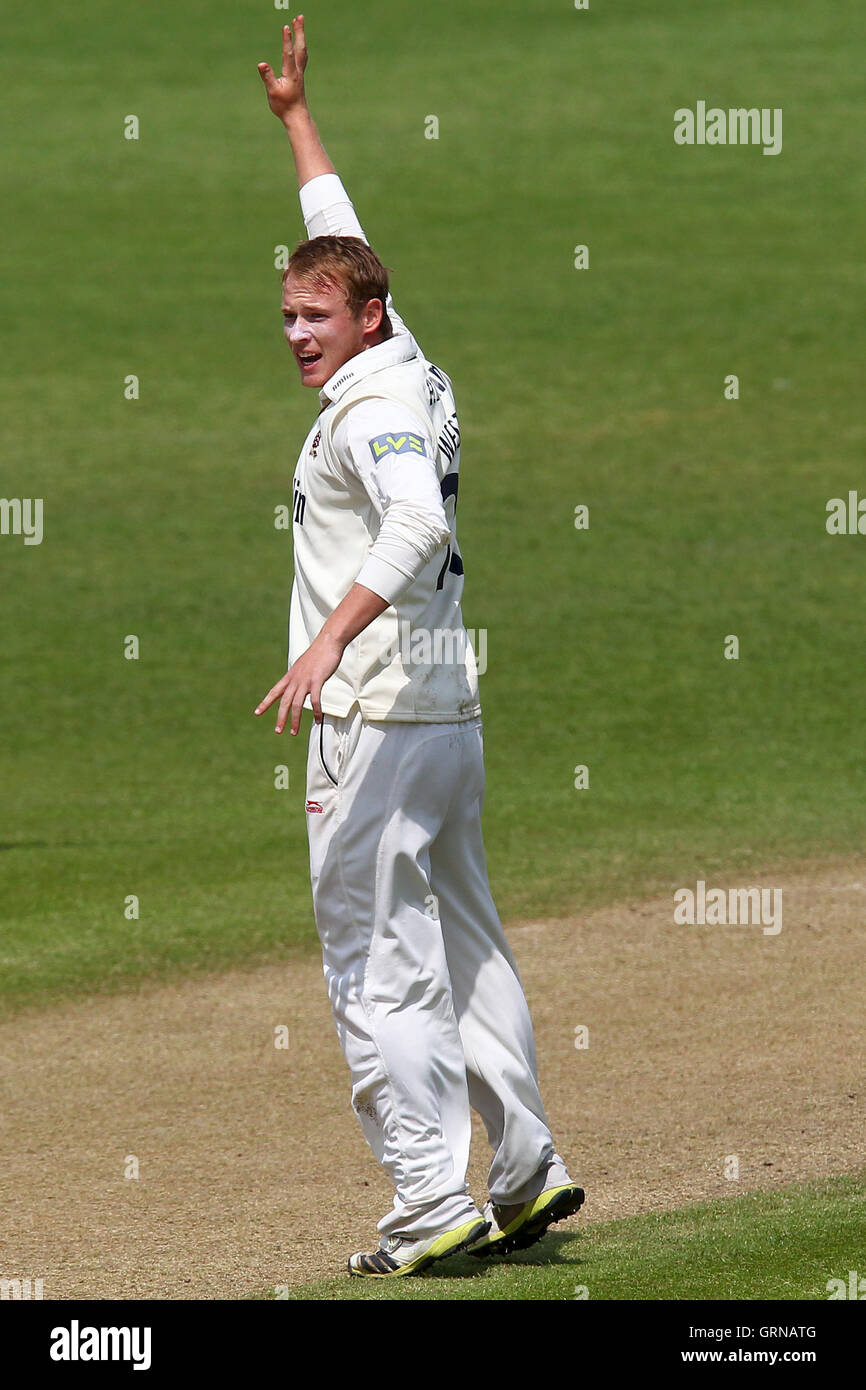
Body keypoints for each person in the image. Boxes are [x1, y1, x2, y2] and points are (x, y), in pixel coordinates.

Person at [254, 16, 584, 1278]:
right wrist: (294, 118)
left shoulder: (374, 409)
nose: (296, 334)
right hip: (446, 708)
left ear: (365, 315)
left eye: (314, 316)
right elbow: (340, 221)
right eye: (286, 314)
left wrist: (324, 642)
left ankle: (423, 1203)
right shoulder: (406, 348)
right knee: (465, 941)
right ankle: (523, 1166)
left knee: (373, 966)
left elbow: (412, 519)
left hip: (378, 716)